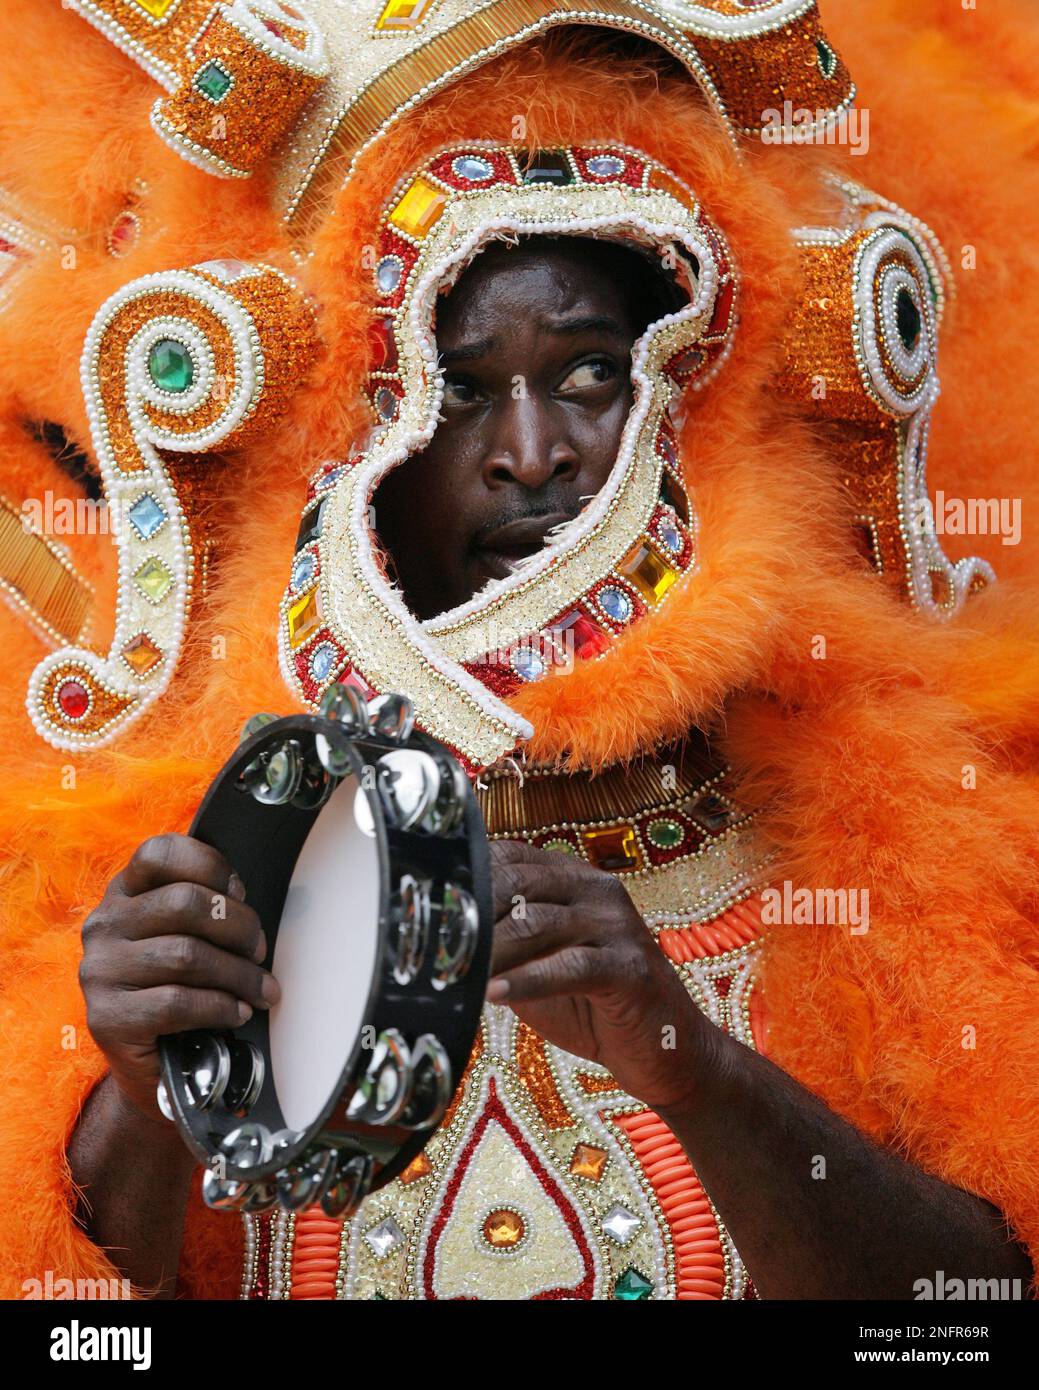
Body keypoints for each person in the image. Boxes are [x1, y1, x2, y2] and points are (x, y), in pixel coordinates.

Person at [1, 2, 1037, 1303]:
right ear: (341, 430)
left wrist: (693, 1070)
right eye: (454, 381)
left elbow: (975, 1309)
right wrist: (156, 1091)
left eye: (593, 372)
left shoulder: (869, 841)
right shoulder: (209, 870)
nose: (533, 450)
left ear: (693, 383)